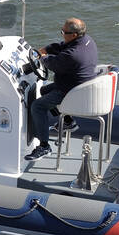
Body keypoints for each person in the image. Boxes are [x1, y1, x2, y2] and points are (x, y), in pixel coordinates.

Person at [25, 17, 98, 161]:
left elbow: (52, 63)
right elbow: (61, 46)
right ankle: (68, 121)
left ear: (74, 35)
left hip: (71, 90)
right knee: (44, 91)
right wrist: (45, 50)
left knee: (37, 106)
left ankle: (44, 146)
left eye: (63, 32)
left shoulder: (73, 55)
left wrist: (39, 58)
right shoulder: (86, 40)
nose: (62, 34)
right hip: (79, 84)